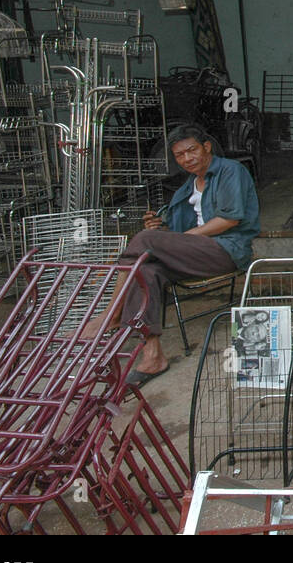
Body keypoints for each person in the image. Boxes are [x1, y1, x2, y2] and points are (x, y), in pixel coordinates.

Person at [85, 124, 260, 386]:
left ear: (207, 147)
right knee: (147, 271)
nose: (187, 158)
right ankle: (153, 355)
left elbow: (228, 220)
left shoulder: (230, 171)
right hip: (195, 253)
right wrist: (161, 229)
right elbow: (179, 231)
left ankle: (111, 314)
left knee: (144, 241)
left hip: (226, 249)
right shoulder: (187, 188)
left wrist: (172, 240)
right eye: (180, 155)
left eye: (192, 150)